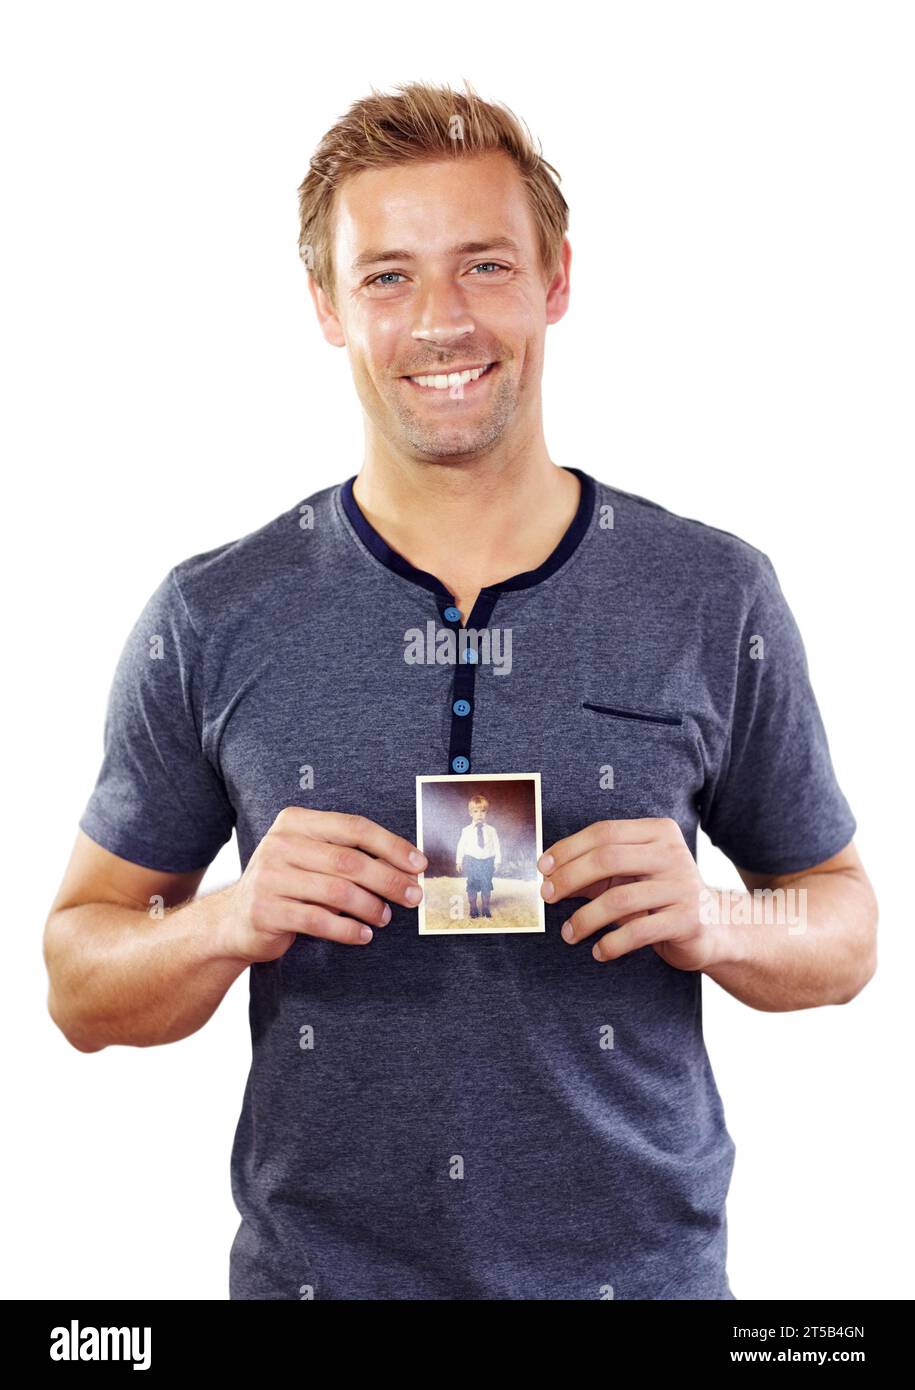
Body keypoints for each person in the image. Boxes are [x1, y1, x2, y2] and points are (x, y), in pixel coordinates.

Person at [43, 79, 878, 1301]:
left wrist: (719, 918)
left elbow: (845, 926)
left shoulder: (714, 594)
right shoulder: (212, 613)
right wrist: (227, 918)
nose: (442, 319)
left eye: (484, 264)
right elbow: (78, 977)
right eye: (387, 276)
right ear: (326, 306)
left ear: (558, 280)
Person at [455, 795, 502, 917]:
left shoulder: (492, 830)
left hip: (487, 861)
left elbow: (497, 846)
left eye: (483, 811)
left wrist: (497, 861)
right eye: (476, 811)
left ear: (486, 812)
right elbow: (461, 846)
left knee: (486, 885)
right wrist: (459, 861)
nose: (479, 814)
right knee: (472, 884)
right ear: (470, 813)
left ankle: (486, 907)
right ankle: (473, 907)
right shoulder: (466, 830)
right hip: (471, 861)